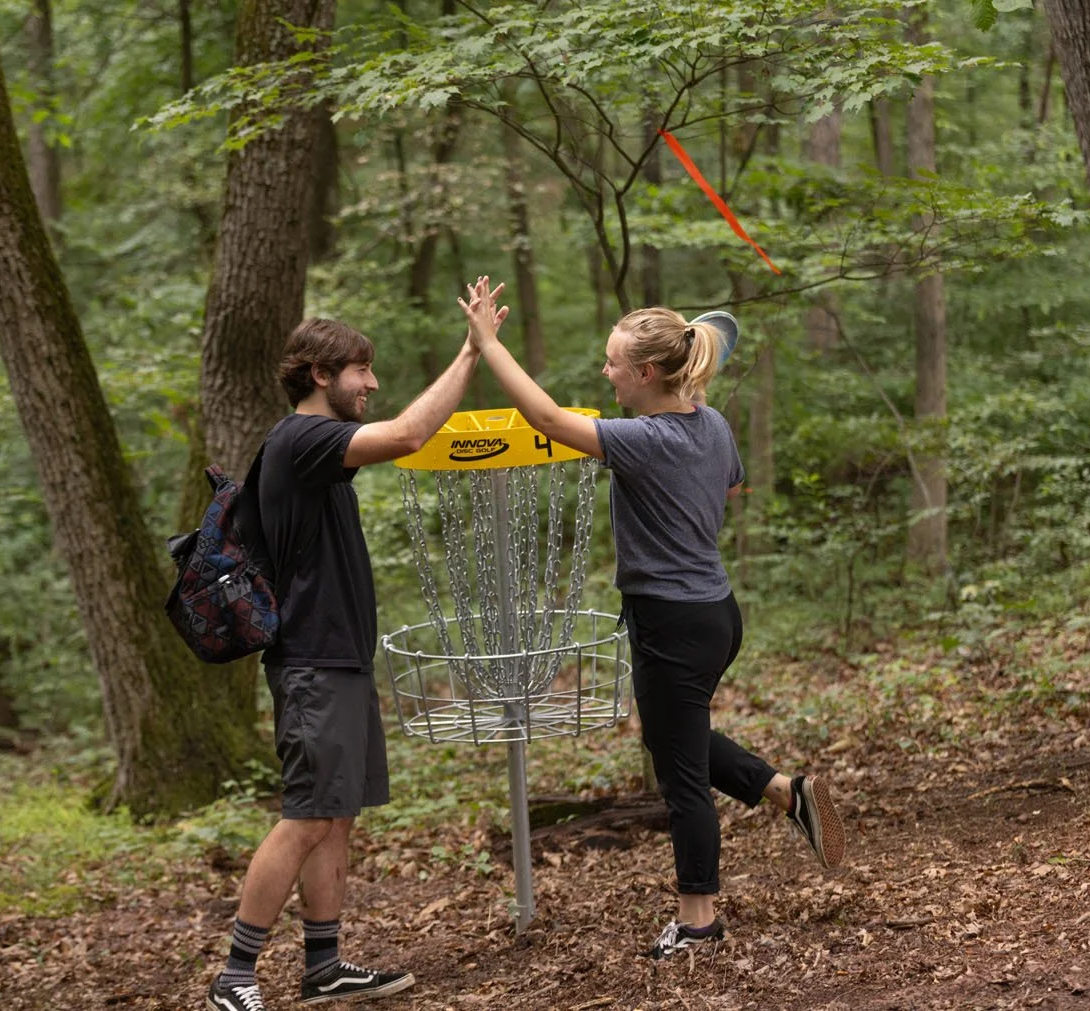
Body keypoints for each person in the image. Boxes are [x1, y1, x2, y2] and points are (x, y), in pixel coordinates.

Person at [456, 277, 845, 961]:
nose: (603, 372)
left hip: (670, 620)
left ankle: (698, 920)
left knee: (680, 775)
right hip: (716, 615)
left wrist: (488, 344)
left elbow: (546, 418)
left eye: (612, 363)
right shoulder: (712, 424)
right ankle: (788, 793)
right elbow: (727, 484)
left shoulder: (646, 438)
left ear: (644, 372)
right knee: (678, 738)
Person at [206, 307, 502, 1011]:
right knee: (308, 813)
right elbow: (408, 433)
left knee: (336, 813)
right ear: (320, 375)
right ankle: (235, 975)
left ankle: (324, 964)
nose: (371, 382)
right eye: (360, 369)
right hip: (311, 661)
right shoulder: (301, 437)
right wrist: (472, 351)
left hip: (337, 659)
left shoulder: (317, 447)